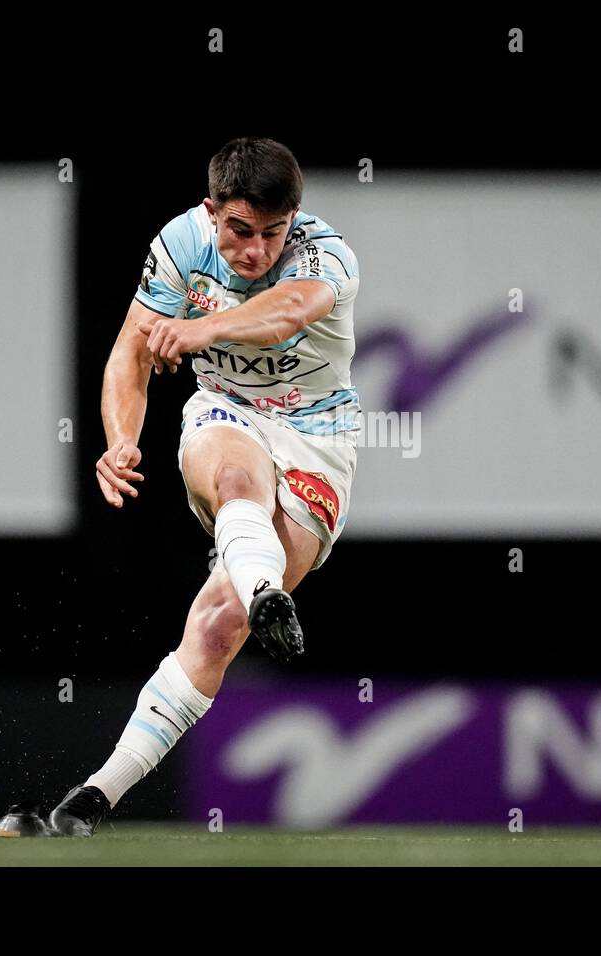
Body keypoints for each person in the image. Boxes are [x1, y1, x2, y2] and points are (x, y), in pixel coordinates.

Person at [51, 137, 361, 836]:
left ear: (295, 221)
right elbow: (131, 351)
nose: (256, 251)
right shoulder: (179, 243)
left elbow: (285, 312)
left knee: (219, 628)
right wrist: (121, 438)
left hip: (319, 438)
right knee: (233, 474)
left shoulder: (326, 255)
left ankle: (93, 796)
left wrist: (197, 329)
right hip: (227, 410)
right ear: (210, 211)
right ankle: (266, 588)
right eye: (240, 231)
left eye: (272, 234)